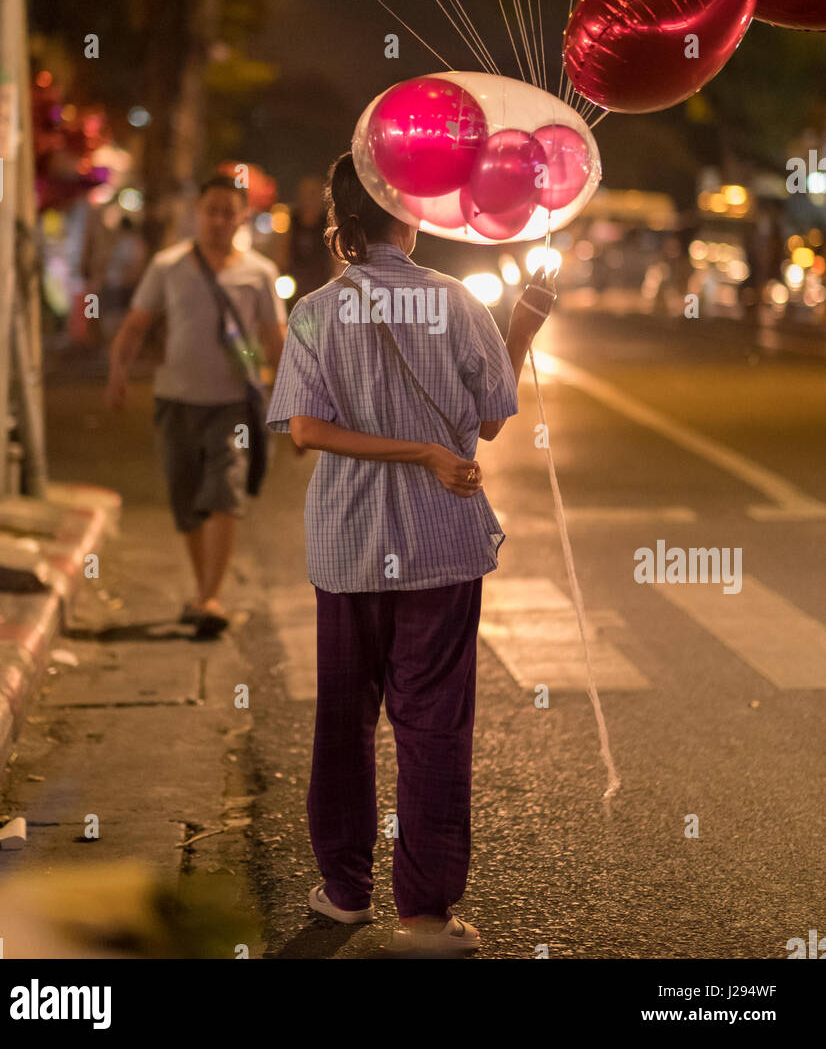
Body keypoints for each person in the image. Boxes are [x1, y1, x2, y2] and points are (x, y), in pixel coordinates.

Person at [266, 151, 555, 953]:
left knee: (342, 720)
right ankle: (425, 915)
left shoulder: (317, 311)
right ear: (407, 213)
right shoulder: (457, 302)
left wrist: (410, 448)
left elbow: (306, 430)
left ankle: (345, 891)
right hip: (440, 544)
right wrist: (521, 328)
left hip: (347, 547)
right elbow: (490, 420)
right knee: (432, 726)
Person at [106, 175, 285, 637]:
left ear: (243, 217)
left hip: (233, 404)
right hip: (176, 401)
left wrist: (291, 402)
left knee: (225, 492)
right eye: (212, 210)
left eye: (230, 211)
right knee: (185, 499)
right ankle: (200, 590)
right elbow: (137, 324)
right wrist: (118, 375)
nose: (220, 219)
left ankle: (210, 597)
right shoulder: (167, 266)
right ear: (197, 213)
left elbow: (274, 339)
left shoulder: (259, 273)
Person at [286, 174, 334, 300]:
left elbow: (333, 256)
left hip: (321, 280)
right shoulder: (292, 221)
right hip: (295, 282)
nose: (308, 199)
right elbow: (282, 249)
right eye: (305, 194)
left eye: (313, 194)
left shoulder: (327, 223)